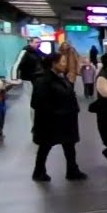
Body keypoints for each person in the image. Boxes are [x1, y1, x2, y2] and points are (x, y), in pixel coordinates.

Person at [31, 54, 85, 182]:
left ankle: (72, 169)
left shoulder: (61, 77)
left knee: (69, 145)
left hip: (66, 118)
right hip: (51, 121)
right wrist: (56, 112)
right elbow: (37, 102)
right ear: (53, 63)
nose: (65, 64)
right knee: (45, 146)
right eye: (62, 61)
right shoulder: (43, 80)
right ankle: (39, 171)